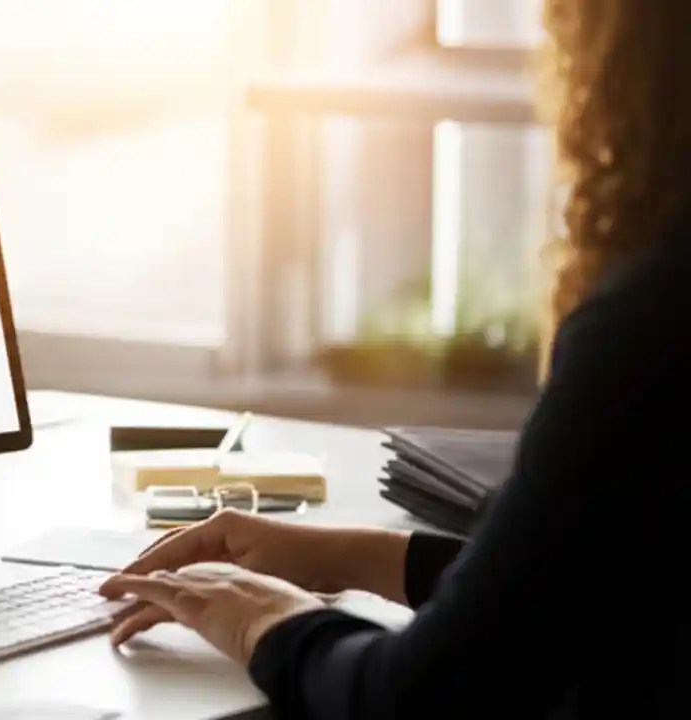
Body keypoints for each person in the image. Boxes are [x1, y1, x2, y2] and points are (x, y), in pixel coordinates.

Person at [98, 2, 689, 717]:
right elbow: (579, 585)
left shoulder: (646, 327)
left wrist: (262, 621)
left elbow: (423, 696)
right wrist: (360, 557)